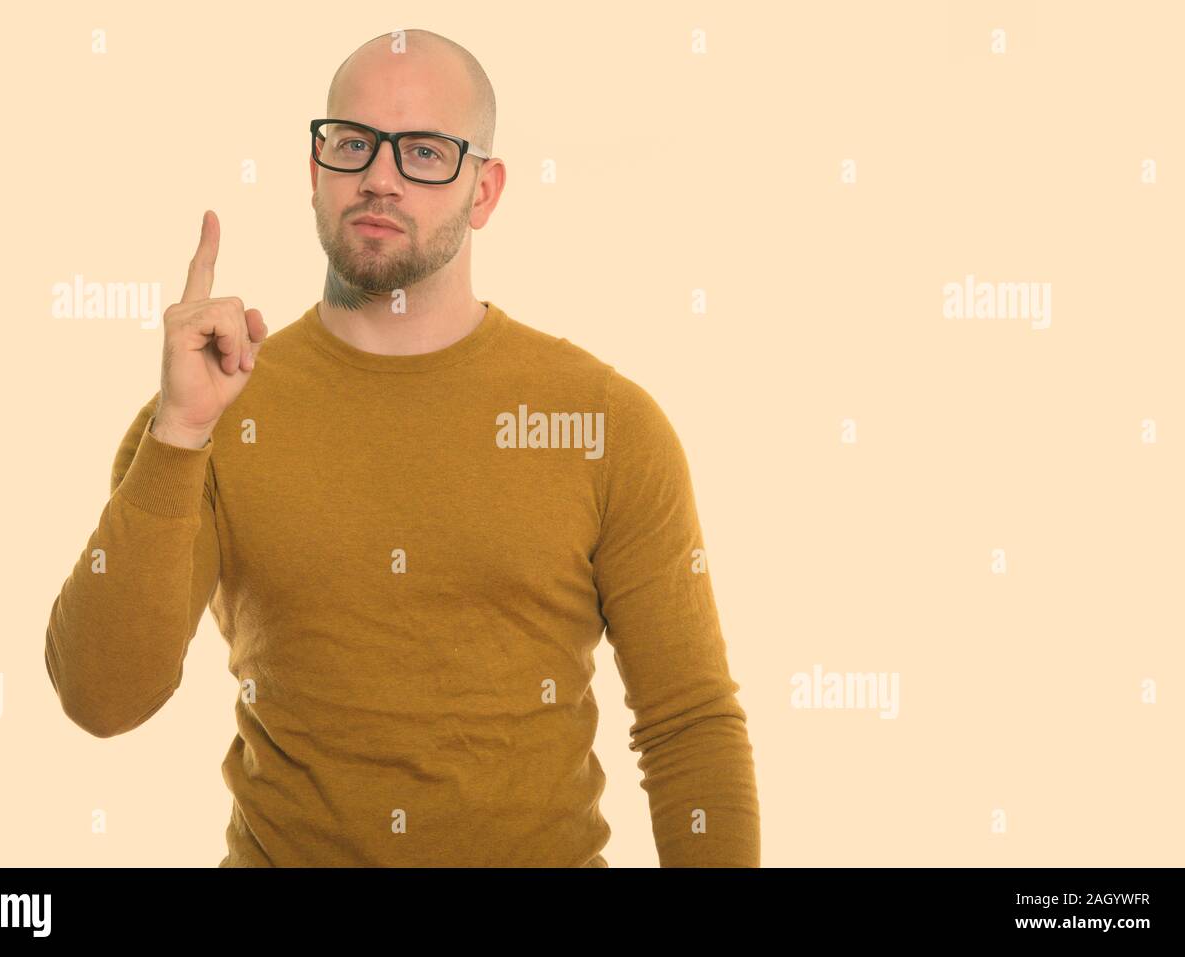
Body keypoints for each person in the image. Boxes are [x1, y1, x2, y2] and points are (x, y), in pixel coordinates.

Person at [44, 27, 760, 867]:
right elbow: (100, 697)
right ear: (315, 170)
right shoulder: (205, 408)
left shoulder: (605, 420)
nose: (379, 177)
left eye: (424, 151)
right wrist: (180, 434)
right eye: (353, 144)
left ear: (484, 191)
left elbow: (689, 724)